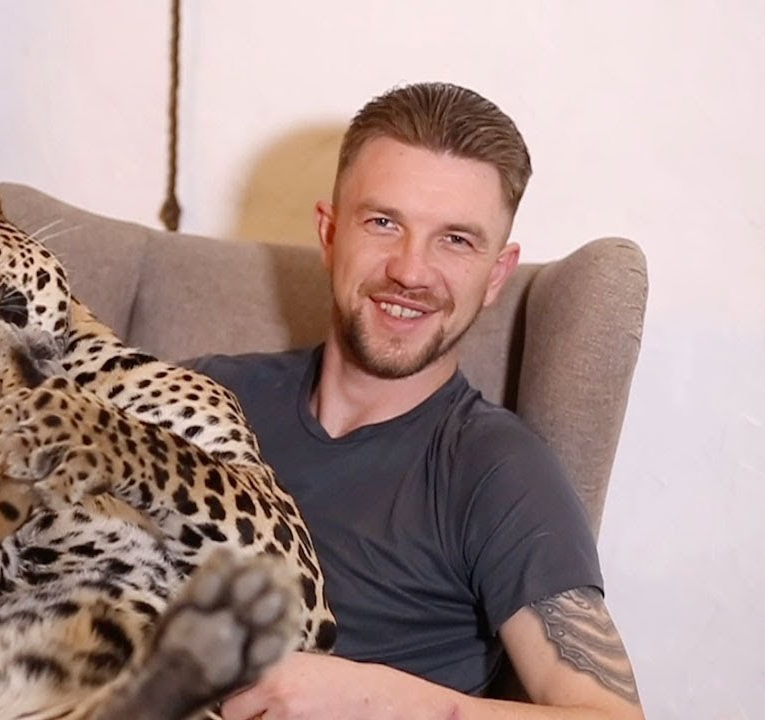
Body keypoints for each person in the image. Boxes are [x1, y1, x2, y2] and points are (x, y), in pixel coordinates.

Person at [191, 83, 645, 719]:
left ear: (495, 275)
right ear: (328, 234)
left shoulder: (496, 470)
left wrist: (363, 695)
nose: (410, 270)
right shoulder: (206, 397)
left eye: (455, 239)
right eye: (383, 223)